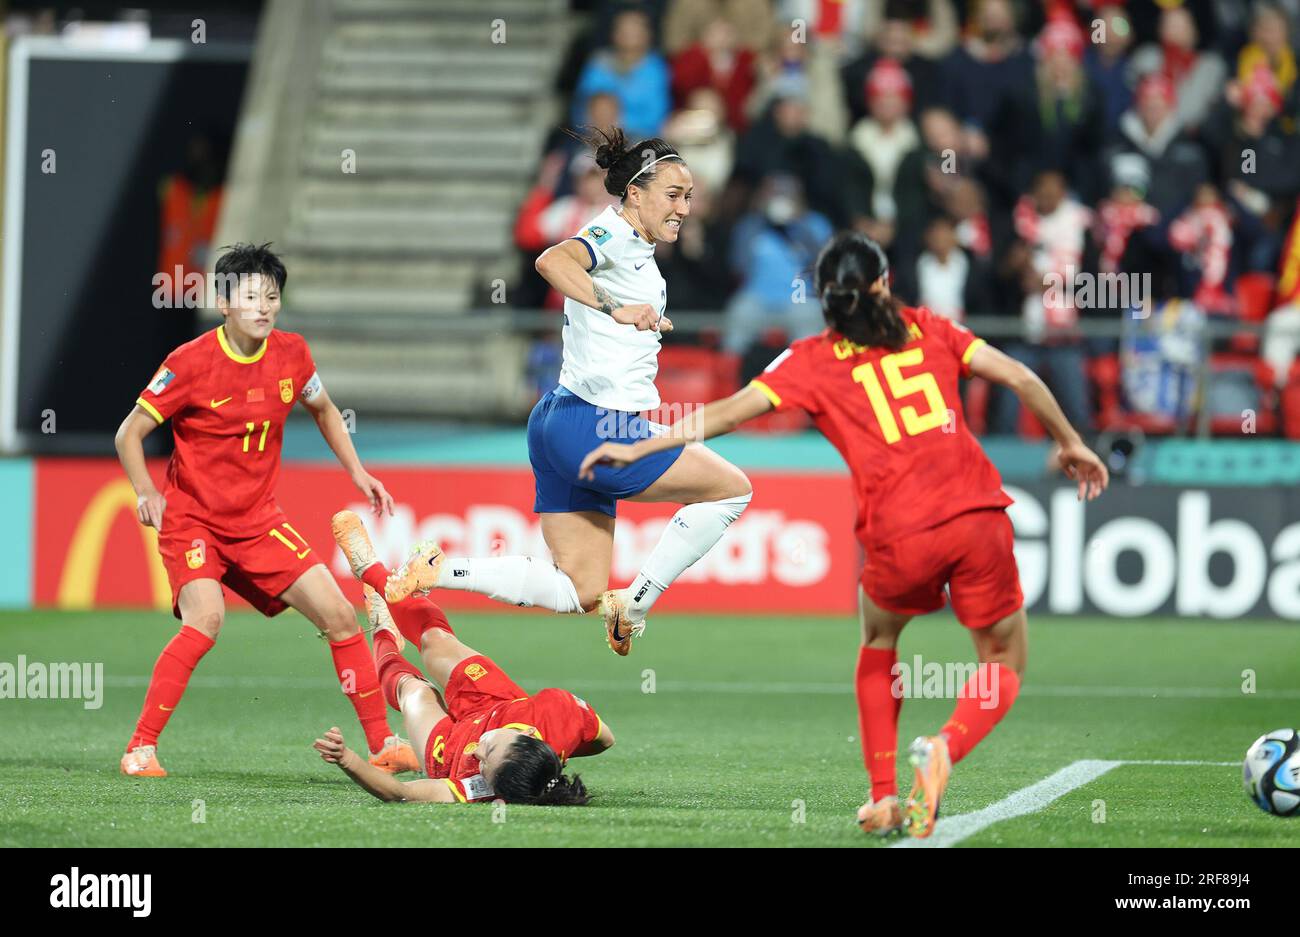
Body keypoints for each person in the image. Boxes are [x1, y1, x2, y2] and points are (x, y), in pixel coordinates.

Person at [577, 232, 1108, 838]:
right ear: (882, 282)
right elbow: (1020, 376)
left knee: (879, 644)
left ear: (824, 300)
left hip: (899, 532)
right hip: (977, 515)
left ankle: (883, 797)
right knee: (1002, 659)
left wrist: (639, 445)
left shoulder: (811, 359)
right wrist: (1070, 442)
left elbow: (724, 413)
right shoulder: (926, 326)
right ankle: (945, 748)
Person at [385, 127, 752, 657]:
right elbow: (551, 261)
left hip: (558, 418)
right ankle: (637, 603)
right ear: (635, 193)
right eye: (672, 195)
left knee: (579, 589)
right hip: (601, 428)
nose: (684, 208)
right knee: (732, 489)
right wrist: (614, 307)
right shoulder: (616, 236)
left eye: (689, 197)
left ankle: (443, 568)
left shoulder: (633, 244)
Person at [115, 243, 414, 778]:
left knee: (342, 618)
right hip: (193, 520)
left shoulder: (293, 353)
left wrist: (357, 471)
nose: (264, 306)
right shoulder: (189, 362)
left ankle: (383, 743)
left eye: (272, 296)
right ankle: (141, 748)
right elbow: (129, 433)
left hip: (259, 521)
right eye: (251, 296)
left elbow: (322, 408)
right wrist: (145, 491)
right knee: (206, 621)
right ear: (225, 302)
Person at [320, 512, 613, 804]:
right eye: (489, 751)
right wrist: (544, 766)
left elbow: (402, 793)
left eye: (484, 766)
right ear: (529, 742)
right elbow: (604, 740)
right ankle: (376, 575)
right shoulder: (559, 714)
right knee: (436, 642)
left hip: (447, 750)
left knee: (415, 690)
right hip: (497, 703)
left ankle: (383, 631)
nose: (478, 755)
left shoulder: (479, 784)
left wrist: (346, 758)